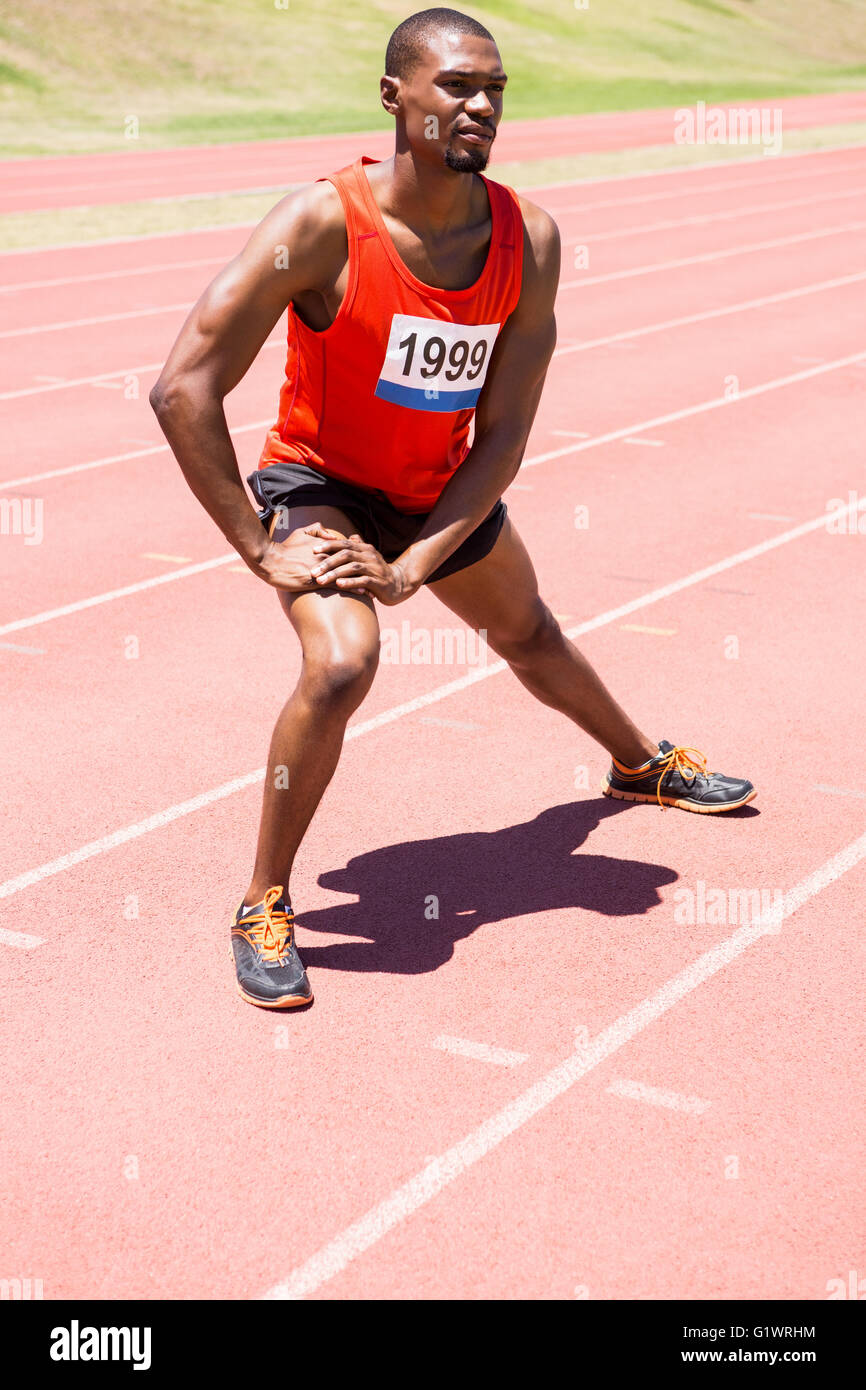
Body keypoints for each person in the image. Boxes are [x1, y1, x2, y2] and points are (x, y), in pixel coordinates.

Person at [150, 7, 756, 1011]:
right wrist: (262, 548)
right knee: (342, 663)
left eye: (494, 90)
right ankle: (263, 898)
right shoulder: (318, 225)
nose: (479, 106)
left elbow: (505, 435)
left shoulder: (529, 239)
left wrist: (412, 566)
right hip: (323, 487)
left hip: (437, 486)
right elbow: (183, 387)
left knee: (530, 632)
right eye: (455, 87)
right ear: (394, 98)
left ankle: (637, 765)